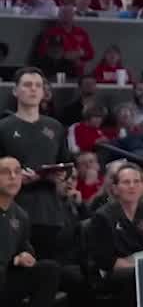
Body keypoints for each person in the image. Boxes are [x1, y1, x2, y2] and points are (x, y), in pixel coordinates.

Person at [0, 69, 73, 260]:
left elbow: (65, 164)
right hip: (12, 210)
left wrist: (60, 177)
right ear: (15, 91)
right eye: (27, 85)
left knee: (47, 270)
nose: (33, 89)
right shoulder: (4, 127)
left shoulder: (55, 127)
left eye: (38, 85)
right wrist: (17, 178)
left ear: (43, 92)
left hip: (49, 213)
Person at [82, 163, 143, 306]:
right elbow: (105, 261)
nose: (132, 186)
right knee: (139, 276)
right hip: (112, 272)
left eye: (136, 182)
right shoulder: (103, 216)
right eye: (126, 182)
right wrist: (140, 266)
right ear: (115, 189)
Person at [0, 158, 59, 307]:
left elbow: (25, 248)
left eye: (17, 172)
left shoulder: (20, 215)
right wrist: (15, 260)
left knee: (48, 269)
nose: (13, 177)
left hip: (7, 280)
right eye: (5, 172)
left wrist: (26, 255)